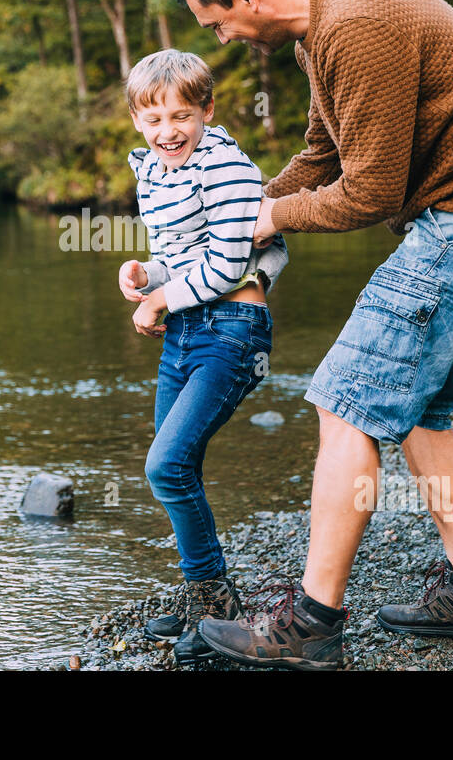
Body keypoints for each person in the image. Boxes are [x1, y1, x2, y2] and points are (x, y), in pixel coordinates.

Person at [171, 0, 453, 670]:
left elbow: (369, 192)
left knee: (344, 399)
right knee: (418, 406)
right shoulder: (323, 15)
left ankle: (310, 627)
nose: (220, 39)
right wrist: (249, 211)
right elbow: (326, 153)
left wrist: (273, 216)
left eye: (215, 22)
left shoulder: (352, 25)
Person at [117, 48, 290, 666]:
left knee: (164, 466)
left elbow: (226, 263)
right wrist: (143, 273)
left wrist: (158, 300)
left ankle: (215, 607)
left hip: (232, 329)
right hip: (187, 329)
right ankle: (207, 600)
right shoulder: (152, 171)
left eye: (181, 117)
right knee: (175, 467)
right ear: (137, 119)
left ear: (207, 111)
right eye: (154, 119)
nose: (169, 132)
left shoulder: (226, 165)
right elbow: (185, 254)